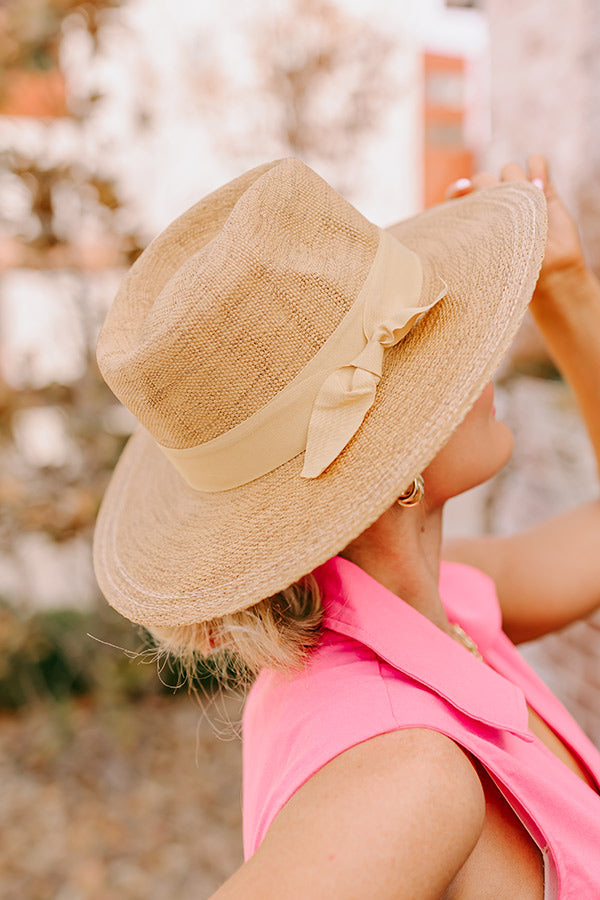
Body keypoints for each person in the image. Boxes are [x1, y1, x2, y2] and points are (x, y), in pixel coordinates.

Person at [93, 153, 600, 898]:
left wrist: (564, 290)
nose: (484, 345)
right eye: (436, 349)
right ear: (388, 468)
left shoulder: (445, 604)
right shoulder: (408, 772)